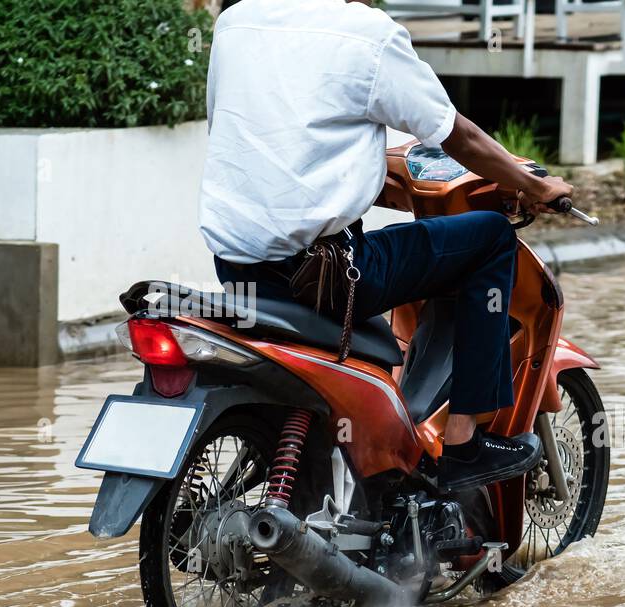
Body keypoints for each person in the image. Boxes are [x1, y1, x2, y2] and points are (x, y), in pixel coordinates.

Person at [199, 0, 574, 491]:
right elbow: (457, 135)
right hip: (327, 275)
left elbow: (257, 130)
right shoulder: (370, 35)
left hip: (237, 269)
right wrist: (536, 185)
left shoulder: (236, 21)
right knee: (491, 238)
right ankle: (462, 444)